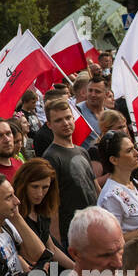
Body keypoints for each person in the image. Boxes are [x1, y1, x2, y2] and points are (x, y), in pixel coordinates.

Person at [42, 98, 99, 245]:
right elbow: (51, 204)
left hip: (95, 226)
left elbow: (95, 187)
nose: (66, 123)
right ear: (49, 125)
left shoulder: (82, 151)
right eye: (59, 120)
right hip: (72, 234)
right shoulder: (51, 157)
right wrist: (58, 243)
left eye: (68, 118)